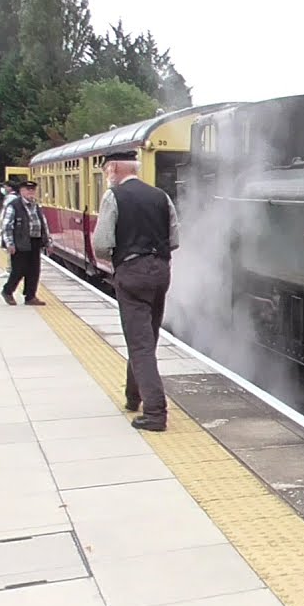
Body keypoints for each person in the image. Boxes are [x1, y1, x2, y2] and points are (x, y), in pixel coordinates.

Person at [92, 150, 180, 431]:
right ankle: (133, 396)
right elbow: (174, 238)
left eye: (107, 169)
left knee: (139, 343)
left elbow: (102, 243)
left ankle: (155, 414)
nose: (106, 174)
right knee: (146, 337)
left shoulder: (114, 196)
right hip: (161, 272)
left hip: (132, 272)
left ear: (115, 167)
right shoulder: (161, 196)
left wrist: (117, 261)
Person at [0, 181, 52, 306]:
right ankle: (7, 291)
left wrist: (48, 242)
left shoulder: (36, 206)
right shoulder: (14, 205)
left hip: (35, 241)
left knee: (34, 270)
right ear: (21, 191)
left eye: (32, 190)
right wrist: (9, 243)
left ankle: (30, 296)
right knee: (19, 269)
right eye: (28, 190)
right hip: (20, 242)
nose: (31, 192)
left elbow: (43, 224)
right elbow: (6, 226)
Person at [0, 181, 19, 278]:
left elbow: (7, 214)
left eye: (5, 186)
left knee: (9, 249)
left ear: (10, 188)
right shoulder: (13, 198)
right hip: (9, 227)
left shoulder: (11, 198)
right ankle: (11, 269)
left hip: (9, 228)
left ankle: (10, 269)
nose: (3, 189)